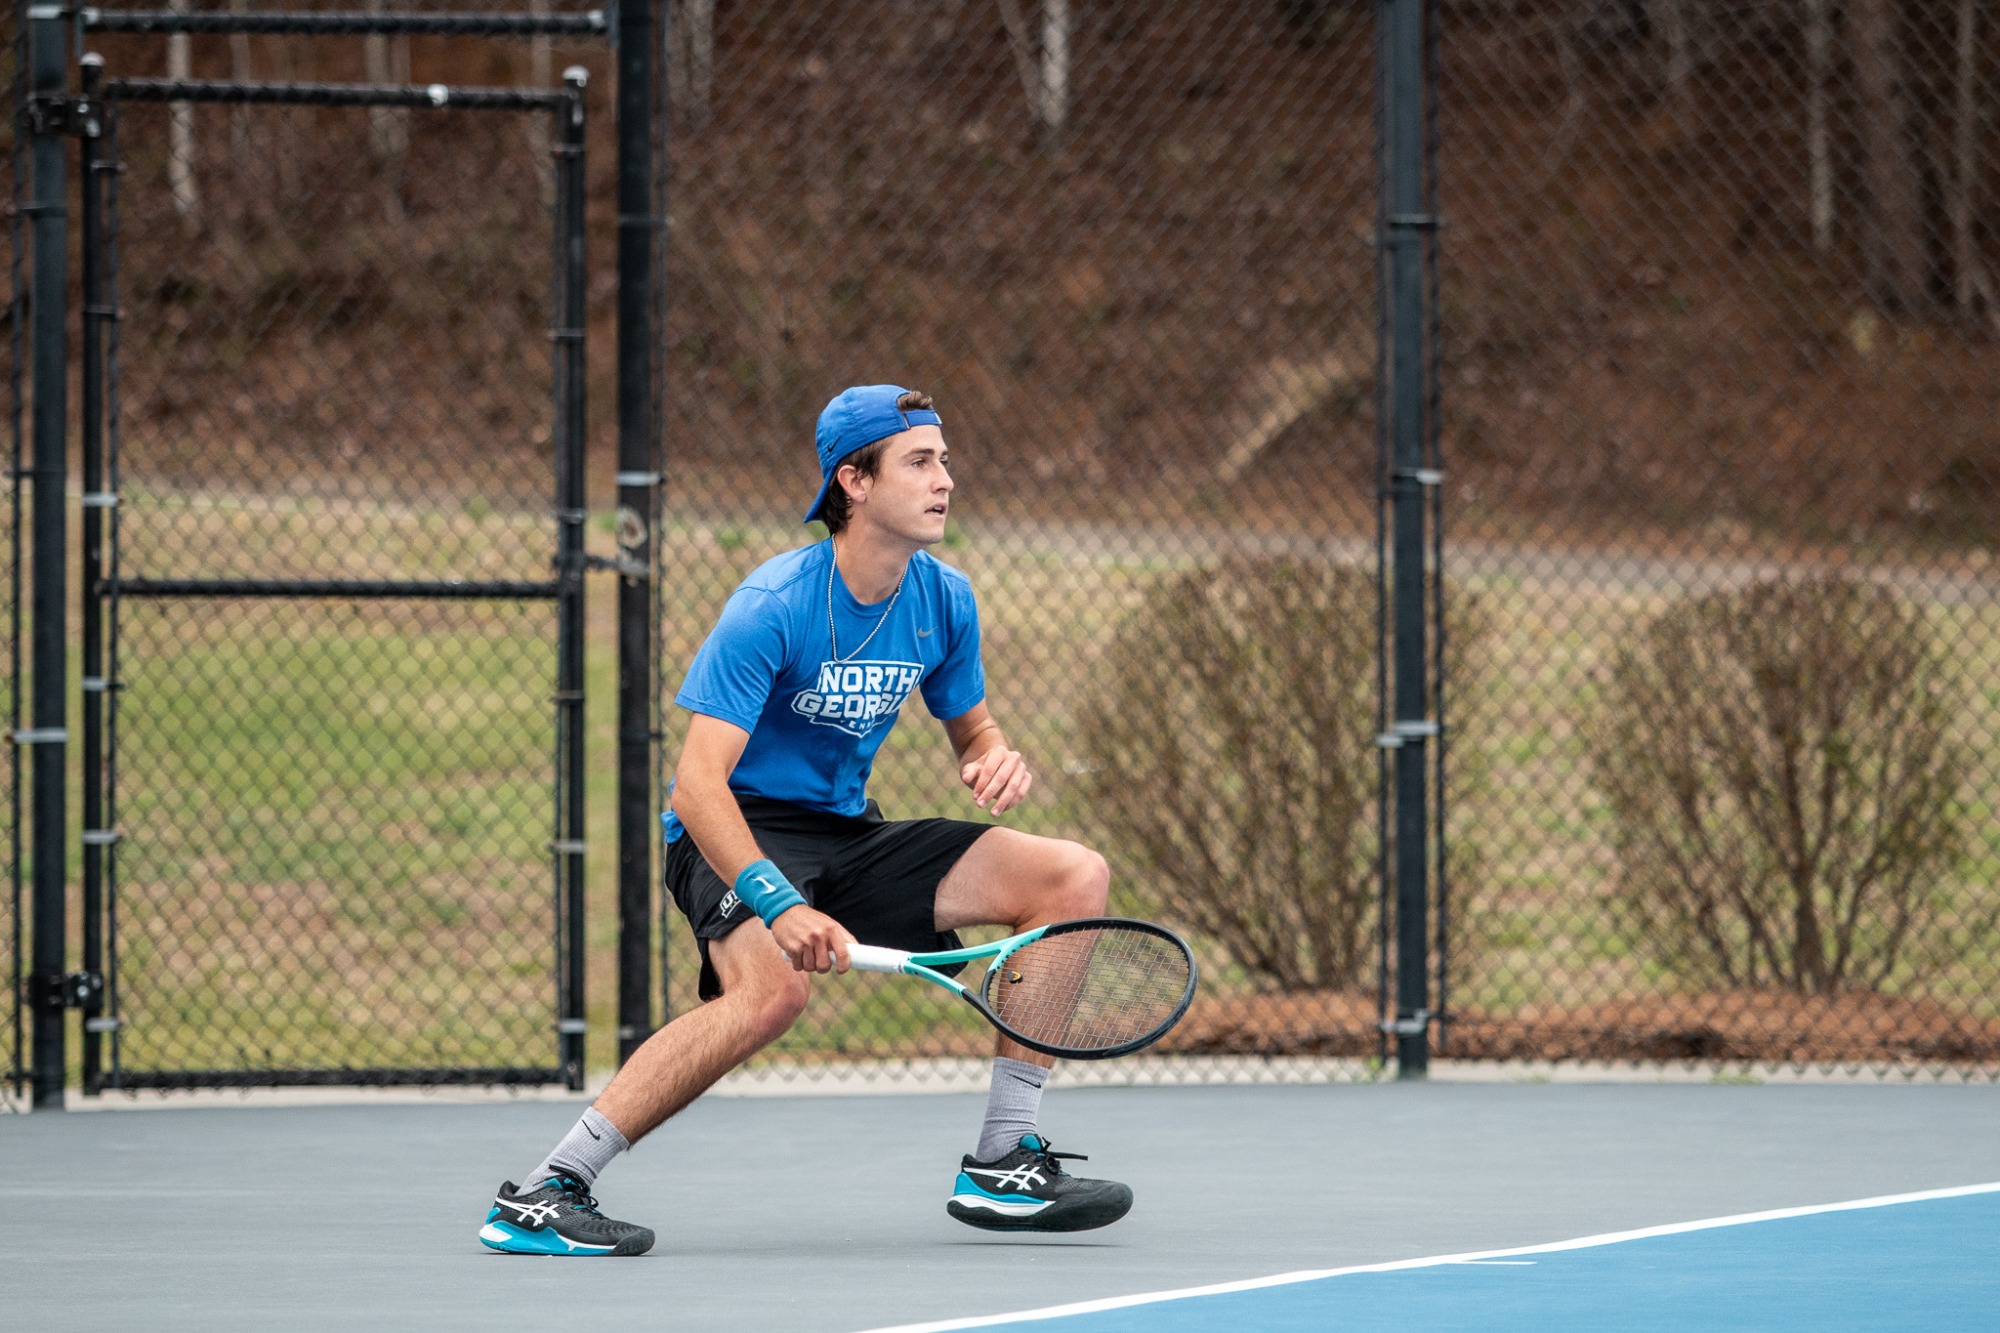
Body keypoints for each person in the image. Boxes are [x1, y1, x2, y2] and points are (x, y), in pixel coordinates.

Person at [478, 384, 1129, 1257]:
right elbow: (694, 787)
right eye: (921, 460)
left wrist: (988, 752)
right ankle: (547, 1191)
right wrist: (777, 903)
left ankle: (1003, 1159)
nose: (946, 478)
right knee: (772, 992)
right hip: (735, 825)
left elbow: (970, 723)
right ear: (853, 482)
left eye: (944, 458)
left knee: (1072, 874)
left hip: (848, 832)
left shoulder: (943, 599)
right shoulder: (773, 603)